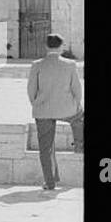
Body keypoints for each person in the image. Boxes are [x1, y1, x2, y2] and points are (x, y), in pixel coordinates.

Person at [27, 32, 84, 190]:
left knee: (46, 147)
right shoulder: (70, 64)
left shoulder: (36, 64)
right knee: (80, 116)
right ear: (61, 46)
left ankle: (50, 182)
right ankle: (79, 145)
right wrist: (75, 105)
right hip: (67, 109)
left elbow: (31, 90)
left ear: (46, 46)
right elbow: (77, 91)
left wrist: (37, 104)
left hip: (43, 110)